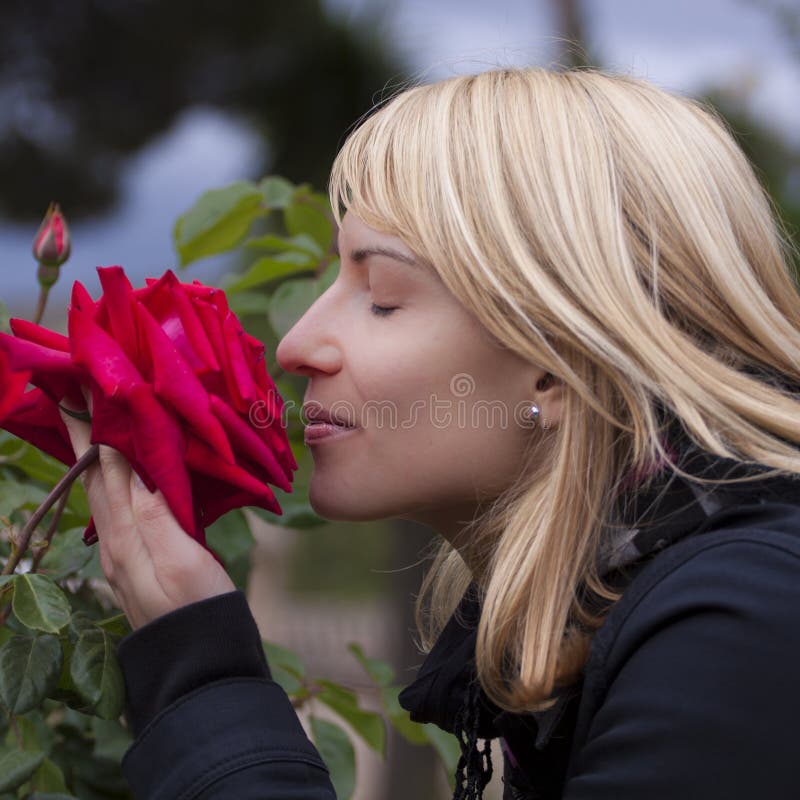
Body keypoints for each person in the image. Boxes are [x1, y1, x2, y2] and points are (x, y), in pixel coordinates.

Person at [58, 66, 800, 800]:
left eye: (381, 297)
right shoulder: (634, 609)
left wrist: (206, 683)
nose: (296, 344)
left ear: (557, 365)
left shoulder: (743, 627)